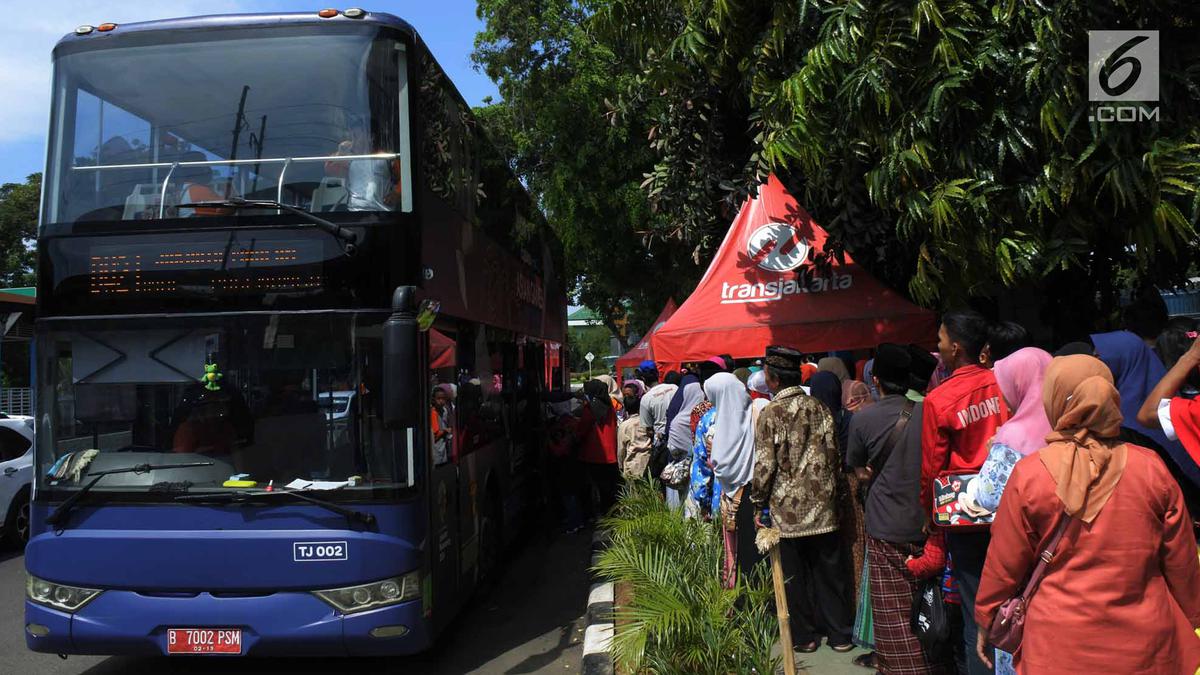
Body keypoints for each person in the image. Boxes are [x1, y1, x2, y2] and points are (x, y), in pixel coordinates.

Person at [975, 355, 1200, 674]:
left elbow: (1004, 562)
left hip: (1058, 647)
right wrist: (1192, 617)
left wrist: (986, 617)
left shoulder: (1030, 474)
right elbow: (1181, 560)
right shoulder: (1150, 466)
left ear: (1054, 399)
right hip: (1146, 645)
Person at [848, 344, 954, 675]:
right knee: (929, 603)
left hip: (885, 527)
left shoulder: (863, 419)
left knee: (893, 615)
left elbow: (857, 468)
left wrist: (871, 475)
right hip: (928, 524)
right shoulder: (930, 410)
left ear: (875, 380)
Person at [920, 309, 1010, 675]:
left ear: (955, 348)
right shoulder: (1007, 383)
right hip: (1015, 508)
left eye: (940, 340)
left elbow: (931, 469)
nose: (937, 347)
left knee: (979, 614)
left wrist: (930, 517)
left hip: (968, 517)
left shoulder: (939, 400)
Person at [752, 346, 853, 655]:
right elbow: (835, 457)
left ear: (771, 378)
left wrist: (758, 504)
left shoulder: (771, 413)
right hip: (824, 509)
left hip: (788, 513)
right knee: (830, 575)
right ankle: (840, 636)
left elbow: (765, 465)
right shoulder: (820, 408)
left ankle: (805, 637)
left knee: (794, 579)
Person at [964, 347, 1053, 514]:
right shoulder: (1066, 421)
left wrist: (993, 453)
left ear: (1018, 385)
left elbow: (988, 498)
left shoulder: (1013, 434)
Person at [706, 372, 762, 582]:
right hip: (759, 491)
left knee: (744, 551)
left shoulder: (717, 424)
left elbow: (721, 464)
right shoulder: (759, 408)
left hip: (737, 498)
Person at [576, 379, 620, 517]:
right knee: (609, 489)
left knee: (593, 487)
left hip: (593, 456)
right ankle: (611, 514)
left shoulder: (590, 409)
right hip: (611, 455)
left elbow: (581, 431)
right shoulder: (610, 407)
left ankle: (597, 515)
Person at [617, 393, 652, 479]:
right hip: (648, 462)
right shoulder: (647, 421)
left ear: (626, 408)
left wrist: (620, 465)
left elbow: (621, 449)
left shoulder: (624, 426)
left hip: (632, 465)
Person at [431, 386, 452, 465]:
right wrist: (445, 431)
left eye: (443, 398)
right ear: (433, 399)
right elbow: (435, 435)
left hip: (444, 447)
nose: (441, 401)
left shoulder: (445, 411)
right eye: (438, 398)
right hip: (436, 449)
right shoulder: (433, 413)